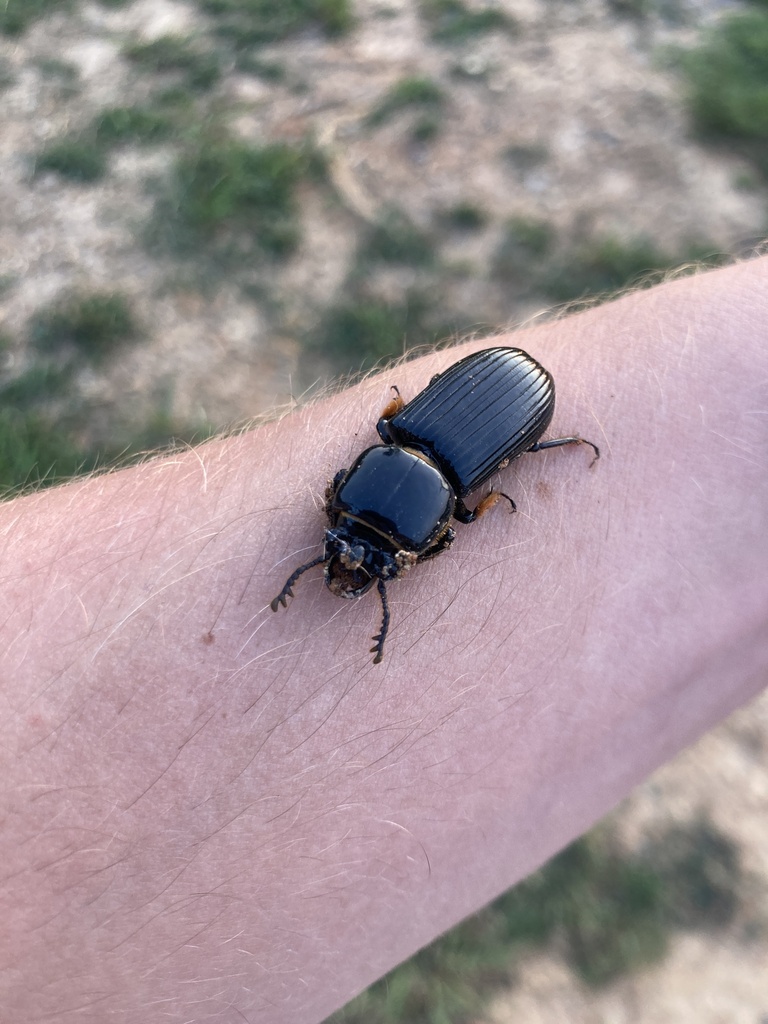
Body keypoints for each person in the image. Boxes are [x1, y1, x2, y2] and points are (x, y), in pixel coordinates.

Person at [1, 257, 766, 1023]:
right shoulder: (408, 483)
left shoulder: (427, 485)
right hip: (470, 423)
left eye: (363, 557)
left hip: (486, 419)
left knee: (487, 475)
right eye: (354, 550)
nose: (351, 565)